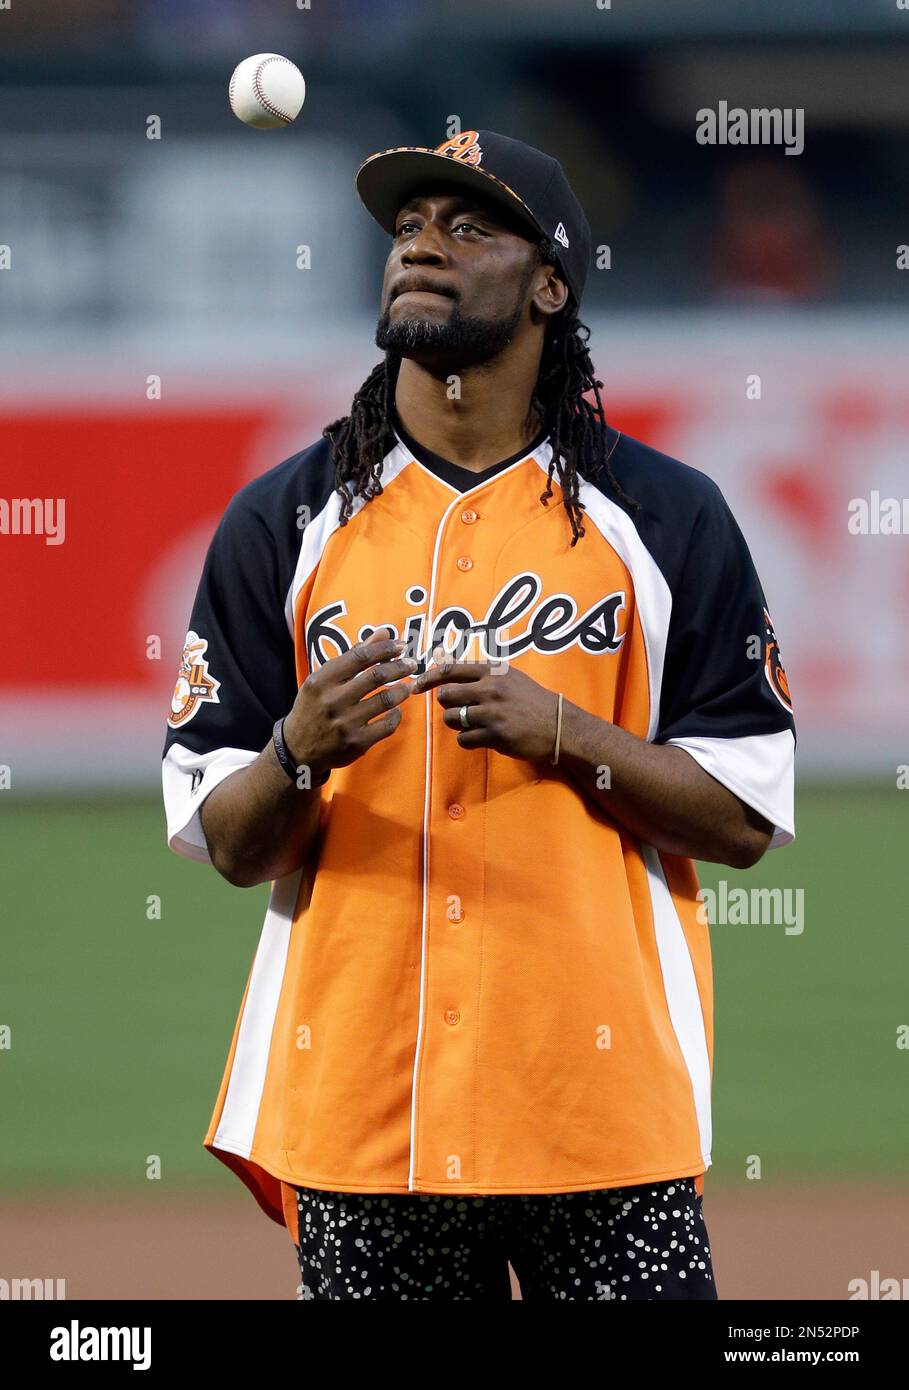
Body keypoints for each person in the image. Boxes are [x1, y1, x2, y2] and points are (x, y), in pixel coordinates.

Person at [162, 128, 796, 1301]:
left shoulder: (664, 515)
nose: (423, 248)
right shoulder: (282, 522)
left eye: (469, 227)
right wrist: (297, 750)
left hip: (603, 1116)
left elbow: (745, 813)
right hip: (364, 1112)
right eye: (407, 227)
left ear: (550, 282)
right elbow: (232, 845)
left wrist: (570, 735)